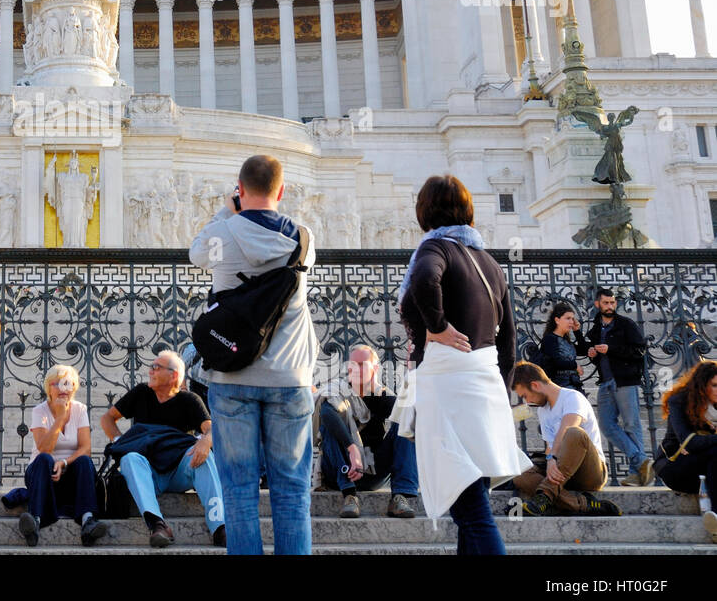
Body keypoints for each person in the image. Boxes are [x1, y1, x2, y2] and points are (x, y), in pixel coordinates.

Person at [189, 154, 317, 555]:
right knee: (293, 491)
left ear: (240, 190)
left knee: (240, 492)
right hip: (290, 379)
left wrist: (227, 211)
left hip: (232, 377)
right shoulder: (305, 239)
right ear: (281, 191)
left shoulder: (223, 235)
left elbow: (195, 253)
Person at [398, 175, 531, 555]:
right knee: (469, 510)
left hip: (450, 390)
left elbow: (424, 280)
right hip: (486, 388)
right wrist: (502, 388)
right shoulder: (489, 261)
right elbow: (509, 338)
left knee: (472, 513)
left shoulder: (435, 248)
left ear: (425, 211)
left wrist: (437, 326)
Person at [100, 349, 225, 547]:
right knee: (129, 458)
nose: (150, 371)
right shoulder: (141, 393)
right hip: (149, 473)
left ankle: (220, 527)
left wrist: (205, 442)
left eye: (156, 367)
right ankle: (158, 525)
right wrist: (119, 440)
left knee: (205, 455)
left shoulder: (189, 400)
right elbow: (107, 418)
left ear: (173, 375)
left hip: (178, 472)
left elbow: (211, 429)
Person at [313, 345, 419, 520]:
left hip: (372, 472)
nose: (356, 368)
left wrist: (413, 374)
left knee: (404, 422)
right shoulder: (337, 391)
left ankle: (400, 496)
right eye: (352, 364)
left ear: (375, 369)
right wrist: (352, 448)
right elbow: (326, 413)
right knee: (329, 420)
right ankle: (349, 496)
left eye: (362, 364)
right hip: (339, 471)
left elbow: (411, 413)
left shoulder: (383, 396)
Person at [509, 361, 621, 517]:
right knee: (519, 473)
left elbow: (568, 428)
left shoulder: (573, 397)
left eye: (525, 396)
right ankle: (581, 504)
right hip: (563, 473)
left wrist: (552, 458)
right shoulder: (543, 411)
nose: (527, 402)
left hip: (591, 473)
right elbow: (549, 446)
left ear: (535, 385)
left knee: (574, 433)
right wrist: (550, 459)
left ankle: (545, 496)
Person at [18, 363, 108, 547]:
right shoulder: (39, 411)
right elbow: (44, 448)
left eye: (67, 383)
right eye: (56, 384)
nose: (62, 388)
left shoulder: (80, 409)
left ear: (73, 387)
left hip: (71, 475)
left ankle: (88, 521)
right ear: (48, 388)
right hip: (43, 474)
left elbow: (86, 448)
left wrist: (65, 463)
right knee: (44, 458)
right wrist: (59, 418)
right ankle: (35, 520)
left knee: (84, 461)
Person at [586, 288, 652, 485]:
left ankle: (636, 474)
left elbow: (640, 350)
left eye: (612, 303)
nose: (610, 306)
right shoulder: (596, 329)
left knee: (631, 424)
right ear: (597, 304)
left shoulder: (626, 324)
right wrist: (593, 353)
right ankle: (642, 461)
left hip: (625, 381)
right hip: (606, 382)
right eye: (605, 303)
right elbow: (599, 358)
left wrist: (611, 349)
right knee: (606, 425)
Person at [652, 360, 717, 540]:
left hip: (706, 467)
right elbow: (690, 443)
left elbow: (698, 445)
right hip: (675, 467)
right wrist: (702, 443)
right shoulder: (679, 401)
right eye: (714, 385)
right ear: (702, 386)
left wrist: (703, 442)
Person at [537, 302, 590, 393]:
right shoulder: (550, 339)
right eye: (568, 318)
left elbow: (584, 350)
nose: (571, 321)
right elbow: (556, 362)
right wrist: (575, 365)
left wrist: (577, 331)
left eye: (572, 318)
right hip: (558, 387)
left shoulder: (566, 341)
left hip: (573, 385)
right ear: (557, 320)